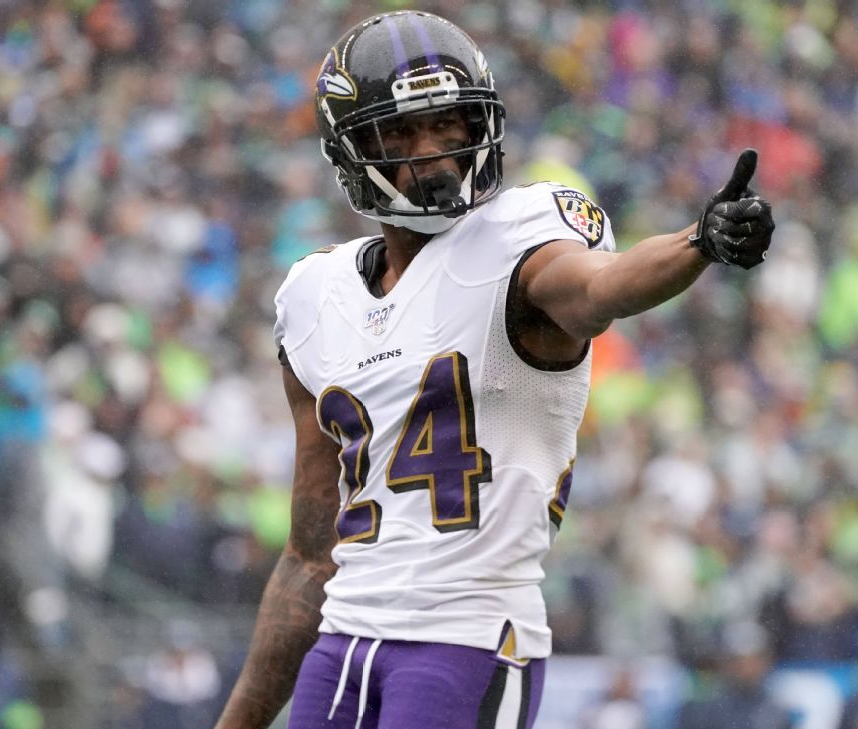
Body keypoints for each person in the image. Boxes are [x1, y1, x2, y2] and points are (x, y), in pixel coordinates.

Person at [214, 11, 775, 729]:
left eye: (451, 125)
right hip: (343, 643)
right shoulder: (313, 298)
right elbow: (309, 556)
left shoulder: (520, 239)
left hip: (466, 638)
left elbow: (601, 286)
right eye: (403, 132)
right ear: (350, 149)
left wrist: (699, 241)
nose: (438, 153)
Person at [675, 621, 792, 729]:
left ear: (766, 661)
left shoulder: (777, 710)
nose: (746, 668)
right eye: (738, 661)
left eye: (753, 660)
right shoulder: (703, 707)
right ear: (726, 662)